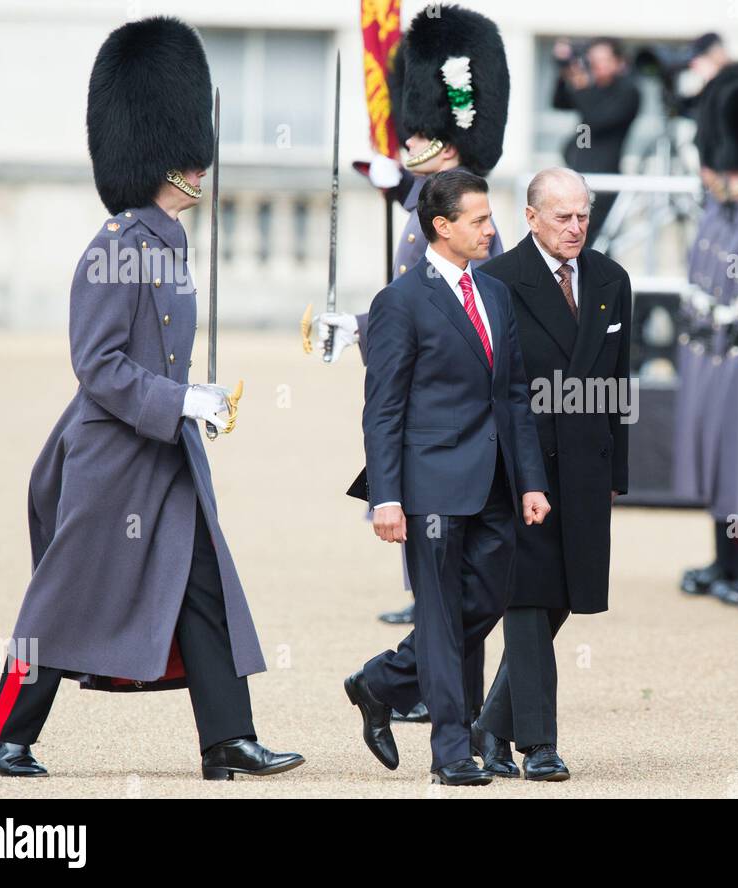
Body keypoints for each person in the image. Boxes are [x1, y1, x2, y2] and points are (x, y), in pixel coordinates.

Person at [0, 16, 302, 781]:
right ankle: (5, 735)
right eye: (191, 160)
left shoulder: (167, 243)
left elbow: (158, 356)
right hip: (110, 458)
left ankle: (228, 739)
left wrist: (196, 398)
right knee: (64, 597)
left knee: (204, 585)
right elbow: (97, 364)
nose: (202, 170)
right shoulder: (117, 246)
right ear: (166, 162)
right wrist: (179, 402)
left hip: (165, 452)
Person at [318, 5, 511, 727]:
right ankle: (435, 688)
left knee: (466, 581)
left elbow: (459, 319)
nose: (408, 141)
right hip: (428, 415)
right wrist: (361, 327)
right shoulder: (425, 203)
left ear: (447, 136)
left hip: (456, 421)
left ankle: (410, 681)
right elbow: (414, 308)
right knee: (445, 580)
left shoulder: (468, 217)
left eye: (420, 132)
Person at [344, 169, 551, 786]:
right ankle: (452, 753)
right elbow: (383, 409)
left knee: (483, 602)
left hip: (496, 483)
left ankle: (380, 682)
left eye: (489, 218)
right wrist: (386, 497)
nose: (491, 230)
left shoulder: (496, 294)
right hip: (430, 485)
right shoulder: (400, 301)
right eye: (479, 220)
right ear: (442, 226)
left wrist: (531, 481)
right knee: (438, 618)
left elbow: (514, 395)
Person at [471, 168, 632, 780]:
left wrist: (617, 469)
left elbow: (619, 381)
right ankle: (539, 744)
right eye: (563, 216)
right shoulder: (496, 279)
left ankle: (491, 725)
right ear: (531, 217)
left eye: (583, 215)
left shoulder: (612, 279)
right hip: (525, 463)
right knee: (529, 596)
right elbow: (490, 384)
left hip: (587, 463)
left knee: (566, 594)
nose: (576, 227)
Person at [552, 37, 641, 247]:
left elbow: (597, 119)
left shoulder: (627, 91)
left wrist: (582, 86)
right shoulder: (592, 88)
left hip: (604, 179)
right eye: (592, 60)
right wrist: (566, 70)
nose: (596, 66)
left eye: (603, 60)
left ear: (619, 62)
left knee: (592, 242)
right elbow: (559, 102)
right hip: (577, 174)